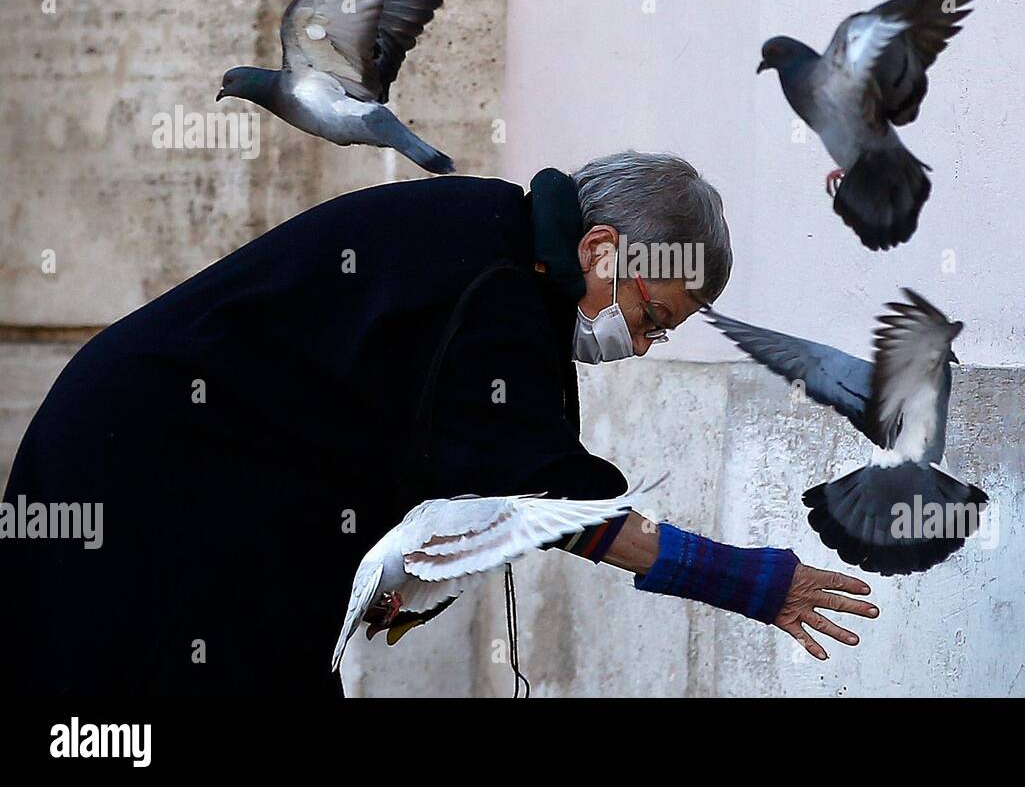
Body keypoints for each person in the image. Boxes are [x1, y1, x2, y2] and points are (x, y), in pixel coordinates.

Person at [0, 151, 877, 696]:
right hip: (138, 472)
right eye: (650, 318)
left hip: (186, 474)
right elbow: (555, 505)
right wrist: (750, 584)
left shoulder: (502, 249)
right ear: (602, 251)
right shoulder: (496, 288)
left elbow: (423, 446)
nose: (641, 348)